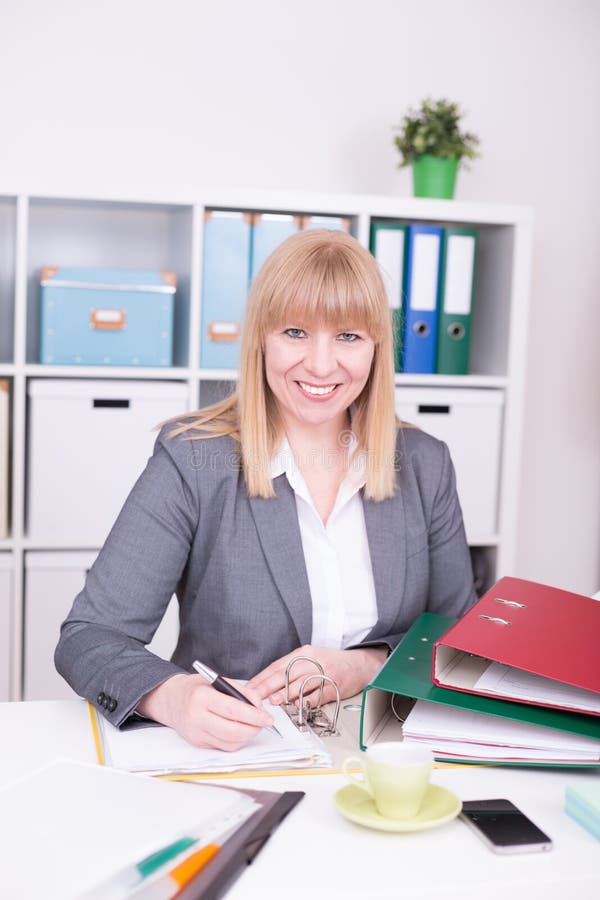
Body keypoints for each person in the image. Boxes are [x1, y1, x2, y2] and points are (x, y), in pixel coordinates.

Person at [55, 228, 476, 752]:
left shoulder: (425, 463)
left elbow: (461, 638)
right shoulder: (192, 460)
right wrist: (172, 696)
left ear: (376, 347)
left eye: (348, 336)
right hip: (243, 755)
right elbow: (89, 636)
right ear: (261, 337)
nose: (321, 365)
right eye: (296, 332)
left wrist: (367, 664)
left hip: (390, 753)